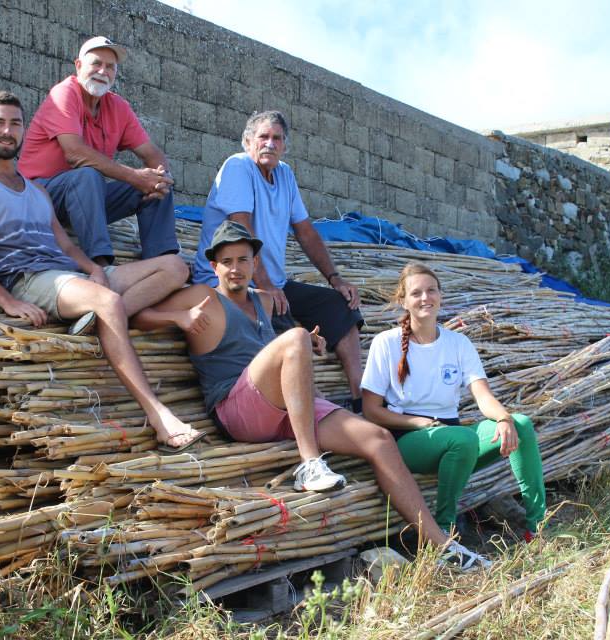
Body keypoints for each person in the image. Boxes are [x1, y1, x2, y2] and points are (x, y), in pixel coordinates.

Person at [136, 221, 490, 569]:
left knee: (379, 439)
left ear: (255, 264)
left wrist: (312, 343)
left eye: (243, 260)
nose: (235, 268)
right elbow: (138, 313)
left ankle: (441, 547)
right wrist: (178, 318)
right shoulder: (202, 296)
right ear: (213, 265)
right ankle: (310, 464)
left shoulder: (264, 301)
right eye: (226, 261)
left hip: (285, 406)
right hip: (238, 407)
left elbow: (289, 344)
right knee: (295, 338)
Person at [0, 91, 203, 453]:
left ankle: (99, 320)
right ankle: (159, 415)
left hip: (69, 276)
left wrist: (93, 268)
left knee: (175, 267)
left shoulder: (35, 190)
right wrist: (6, 301)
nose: (7, 131)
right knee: (108, 300)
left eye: (15, 123)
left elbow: (66, 246)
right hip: (30, 280)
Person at [191, 111, 366, 413]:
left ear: (285, 145)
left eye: (277, 138)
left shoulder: (284, 174)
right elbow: (242, 229)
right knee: (283, 335)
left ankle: (360, 396)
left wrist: (335, 278)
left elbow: (306, 232)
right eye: (263, 137)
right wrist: (266, 285)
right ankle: (315, 409)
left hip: (274, 283)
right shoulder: (238, 167)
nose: (270, 144)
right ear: (248, 142)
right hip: (233, 282)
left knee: (341, 306)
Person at [361, 262, 547, 540]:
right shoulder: (385, 343)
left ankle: (537, 526)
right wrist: (416, 422)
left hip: (453, 433)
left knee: (521, 424)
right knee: (463, 439)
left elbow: (483, 396)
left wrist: (504, 419)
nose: (425, 298)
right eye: (416, 293)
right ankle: (444, 530)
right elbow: (371, 411)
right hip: (406, 438)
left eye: (431, 290)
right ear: (403, 301)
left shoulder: (458, 344)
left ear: (441, 296)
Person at [17, 36, 180, 270]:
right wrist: (135, 176)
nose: (103, 71)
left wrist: (160, 178)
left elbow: (152, 153)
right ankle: (102, 265)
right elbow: (74, 153)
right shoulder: (63, 94)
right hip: (38, 198)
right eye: (96, 63)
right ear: (79, 65)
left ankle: (162, 262)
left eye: (110, 67)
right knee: (87, 175)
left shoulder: (118, 107)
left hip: (85, 202)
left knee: (156, 183)